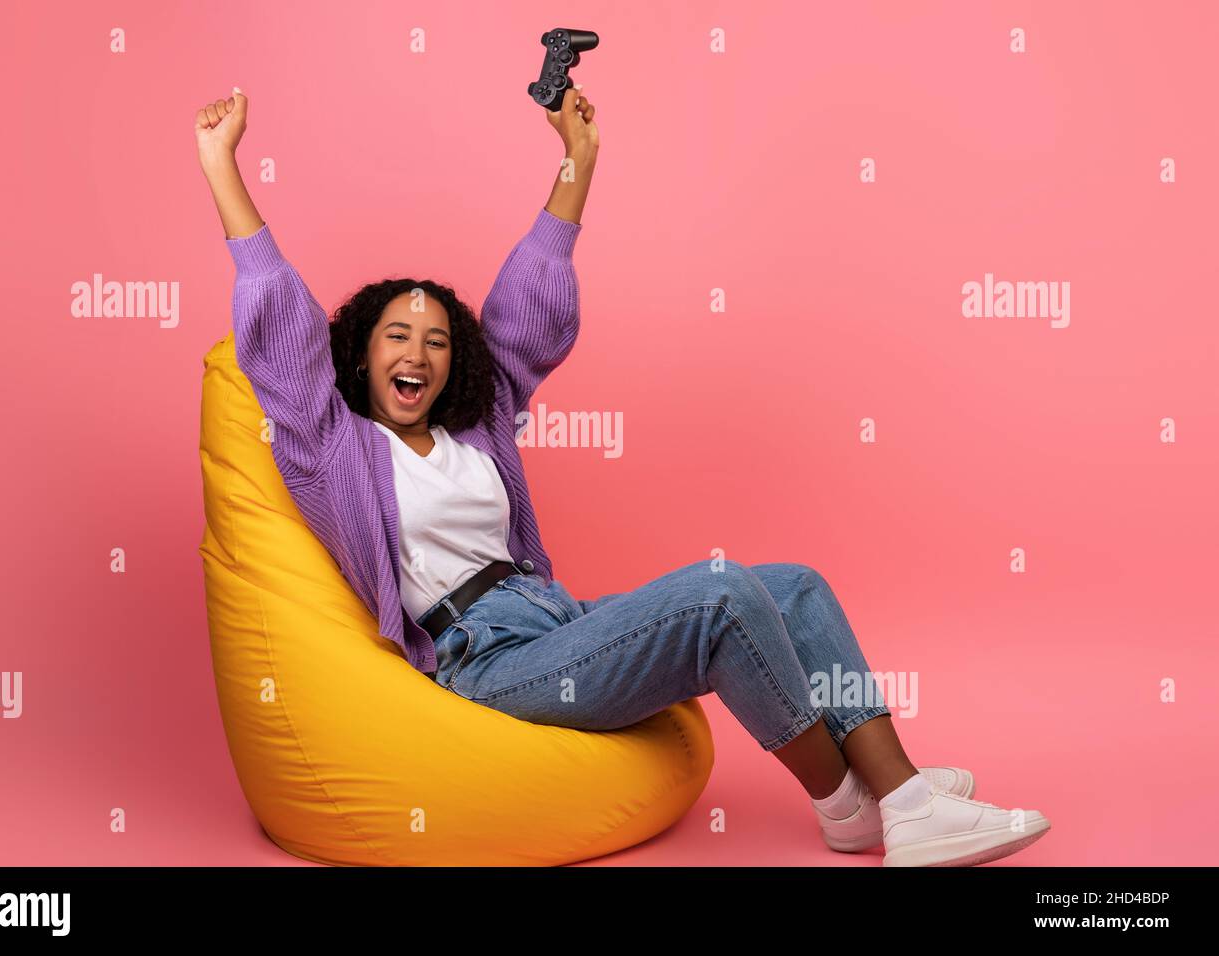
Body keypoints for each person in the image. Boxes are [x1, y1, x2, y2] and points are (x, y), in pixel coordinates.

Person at [195, 85, 1051, 867]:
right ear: (360, 353)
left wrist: (580, 159)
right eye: (396, 335)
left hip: (556, 623)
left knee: (792, 586)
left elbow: (528, 309)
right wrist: (222, 167)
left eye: (436, 339)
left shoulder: (478, 430)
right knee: (720, 594)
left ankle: (889, 798)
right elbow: (279, 326)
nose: (417, 353)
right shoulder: (334, 449)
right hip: (482, 664)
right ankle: (868, 802)